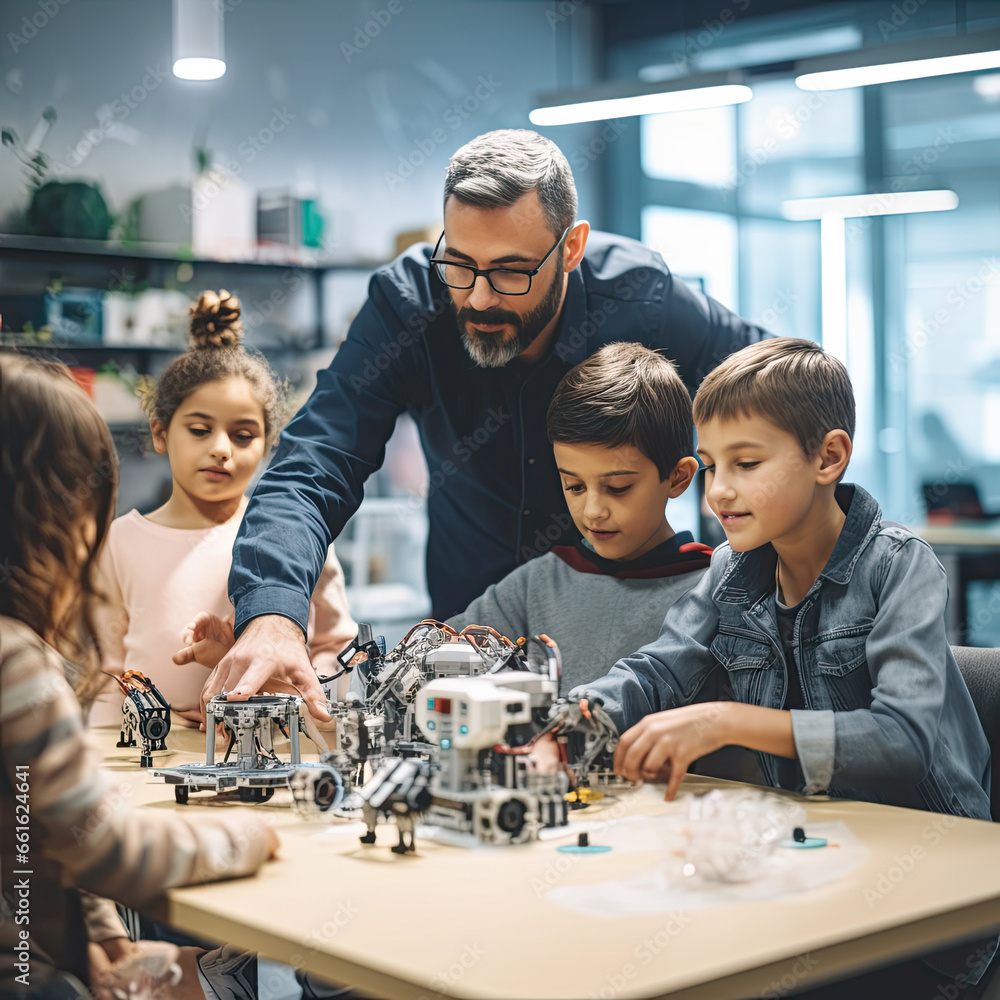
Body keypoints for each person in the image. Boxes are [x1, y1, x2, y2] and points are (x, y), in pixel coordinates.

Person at [213, 128, 769, 721]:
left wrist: (739, 543)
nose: (477, 298)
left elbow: (780, 401)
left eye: (510, 272)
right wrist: (273, 613)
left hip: (639, 654)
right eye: (460, 263)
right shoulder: (410, 305)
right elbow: (316, 459)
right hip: (468, 651)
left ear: (571, 248)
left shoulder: (639, 299)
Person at [555, 338, 991, 822]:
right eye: (713, 466)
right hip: (819, 836)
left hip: (936, 841)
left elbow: (903, 740)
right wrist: (561, 732)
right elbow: (654, 675)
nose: (718, 492)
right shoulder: (731, 571)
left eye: (746, 464)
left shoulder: (899, 566)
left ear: (828, 457)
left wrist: (726, 721)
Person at [0, 354, 277, 999]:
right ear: (54, 513)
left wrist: (98, 925)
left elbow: (35, 824)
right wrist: (241, 840)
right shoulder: (16, 664)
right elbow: (107, 848)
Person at [90, 290, 357, 730]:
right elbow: (103, 676)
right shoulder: (120, 542)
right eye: (199, 429)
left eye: (243, 435)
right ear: (160, 433)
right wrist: (165, 727)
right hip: (153, 768)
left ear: (269, 444)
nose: (220, 450)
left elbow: (338, 652)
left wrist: (275, 700)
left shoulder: (298, 540)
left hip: (273, 757)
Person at [445, 342, 712, 691]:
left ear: (677, 477)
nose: (592, 511)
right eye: (574, 486)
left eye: (617, 488)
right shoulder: (535, 586)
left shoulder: (712, 589)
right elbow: (446, 654)